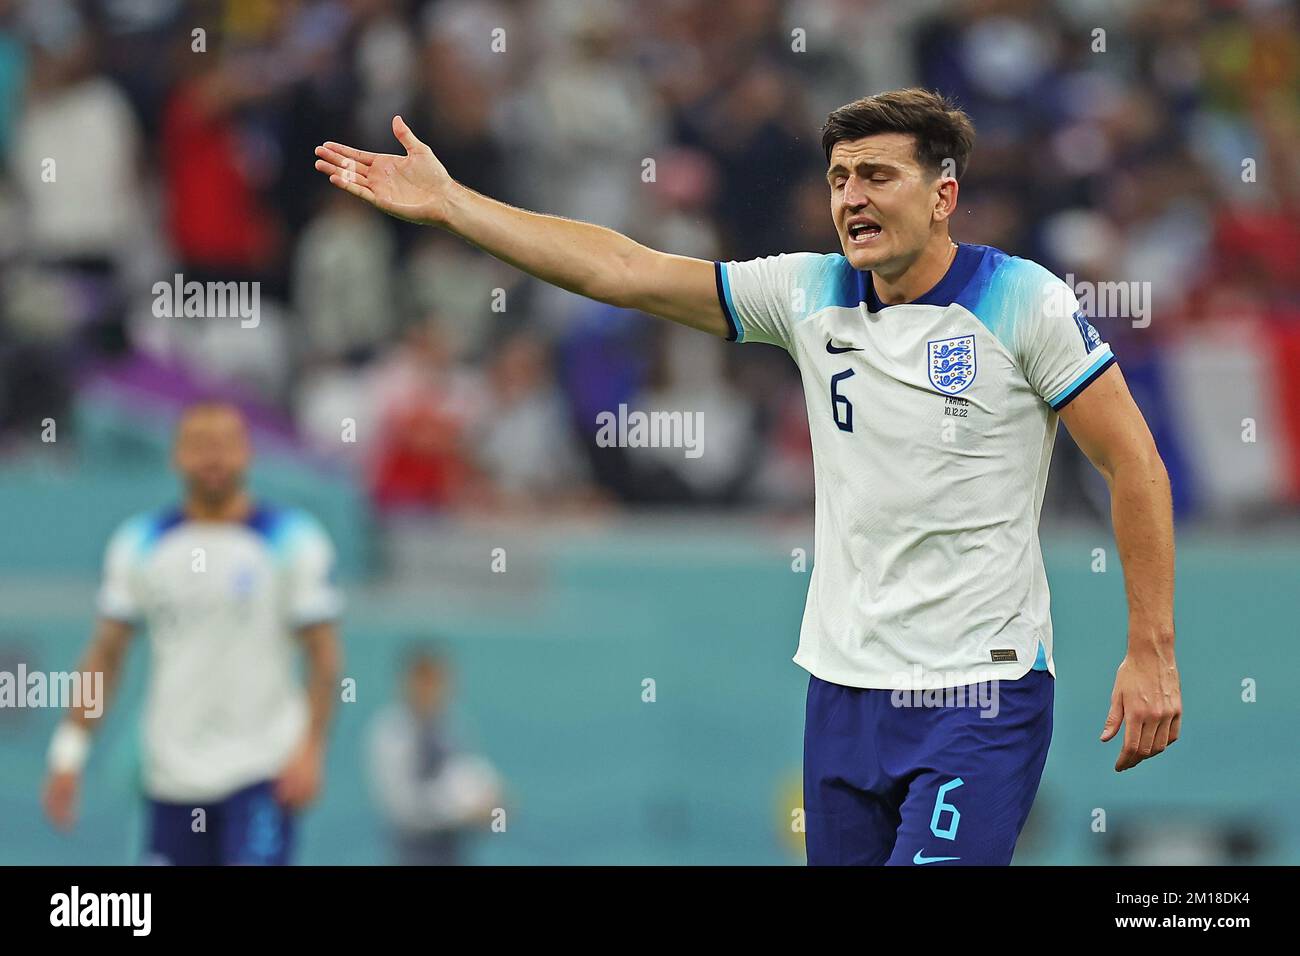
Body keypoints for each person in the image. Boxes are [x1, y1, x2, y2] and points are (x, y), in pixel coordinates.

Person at [313, 87, 1181, 866]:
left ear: (942, 195)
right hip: (843, 691)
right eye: (840, 178)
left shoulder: (1024, 301)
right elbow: (622, 269)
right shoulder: (809, 294)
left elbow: (1131, 460)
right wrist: (456, 206)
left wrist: (1151, 649)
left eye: (877, 175)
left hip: (980, 693)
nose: (852, 197)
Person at [41, 402, 343, 865]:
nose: (214, 459)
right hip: (172, 776)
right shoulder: (139, 544)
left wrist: (311, 748)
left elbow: (323, 655)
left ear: (247, 454)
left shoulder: (292, 540)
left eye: (225, 446)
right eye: (200, 446)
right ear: (176, 457)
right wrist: (69, 752)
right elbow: (106, 656)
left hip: (261, 769)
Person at [367, 646, 502, 866]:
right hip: (410, 853)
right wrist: (459, 812)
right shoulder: (390, 732)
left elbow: (473, 776)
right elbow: (401, 807)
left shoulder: (455, 727)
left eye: (437, 683)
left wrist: (495, 807)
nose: (432, 691)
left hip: (453, 853)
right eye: (425, 682)